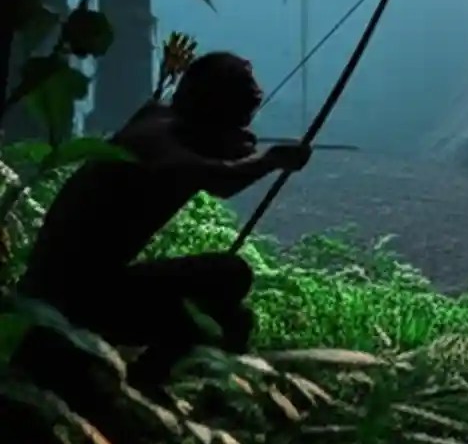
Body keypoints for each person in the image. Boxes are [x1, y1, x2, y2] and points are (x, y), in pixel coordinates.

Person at [14, 51, 312, 395]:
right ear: (212, 108)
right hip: (70, 295)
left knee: (229, 316)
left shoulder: (156, 118)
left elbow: (205, 150)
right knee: (226, 279)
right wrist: (269, 161)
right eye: (238, 117)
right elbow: (217, 179)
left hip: (73, 284)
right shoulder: (161, 145)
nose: (243, 127)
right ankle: (140, 390)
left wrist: (233, 148)